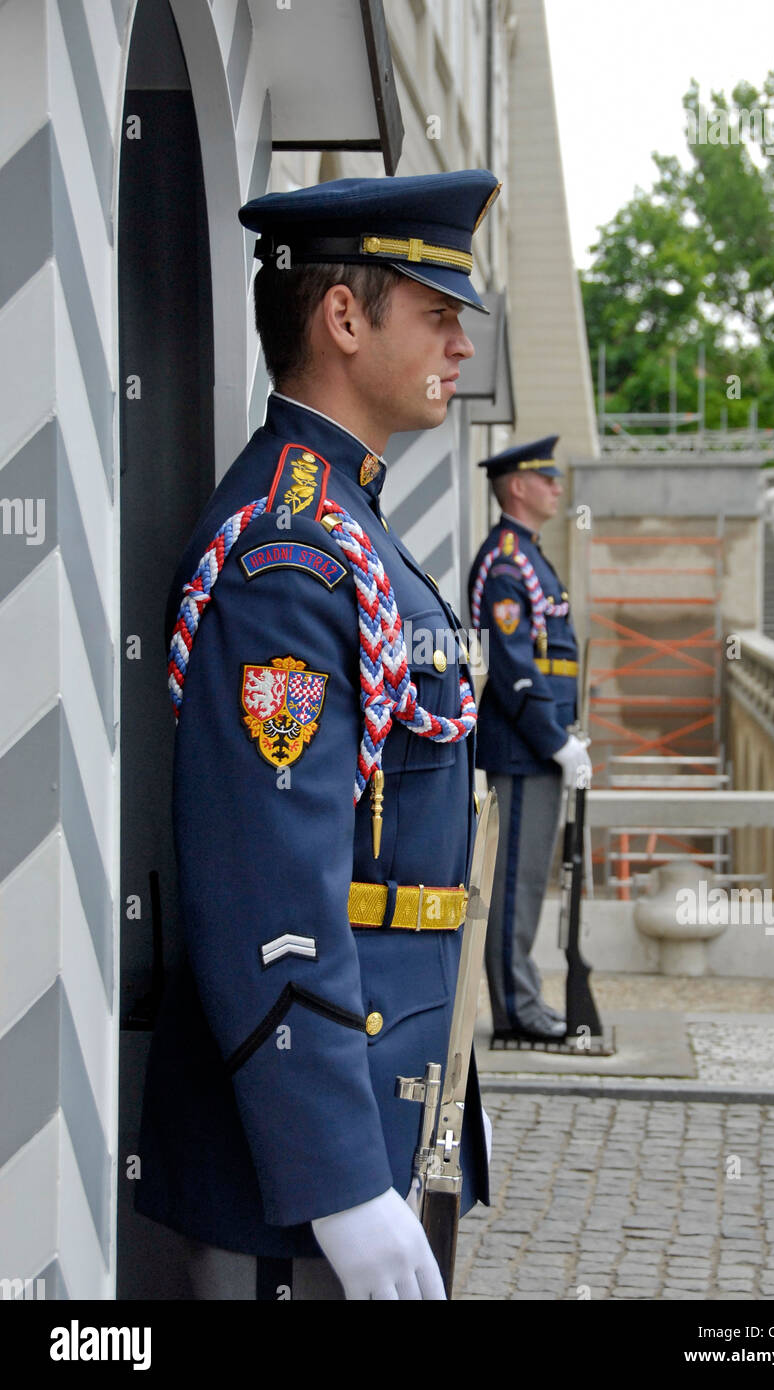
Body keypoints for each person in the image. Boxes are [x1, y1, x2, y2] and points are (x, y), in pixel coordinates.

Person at [134, 170, 501, 1301]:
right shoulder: (286, 554)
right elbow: (272, 893)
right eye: (436, 315)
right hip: (299, 1162)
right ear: (343, 319)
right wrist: (339, 1181)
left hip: (384, 1092)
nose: (459, 348)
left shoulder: (345, 523)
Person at [468, 437, 591, 1043]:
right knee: (514, 884)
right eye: (547, 478)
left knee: (529, 880)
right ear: (517, 486)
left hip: (537, 746)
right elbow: (514, 668)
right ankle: (517, 1009)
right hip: (523, 749)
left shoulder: (529, 558)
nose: (557, 487)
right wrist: (554, 741)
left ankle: (525, 998)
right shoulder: (507, 564)